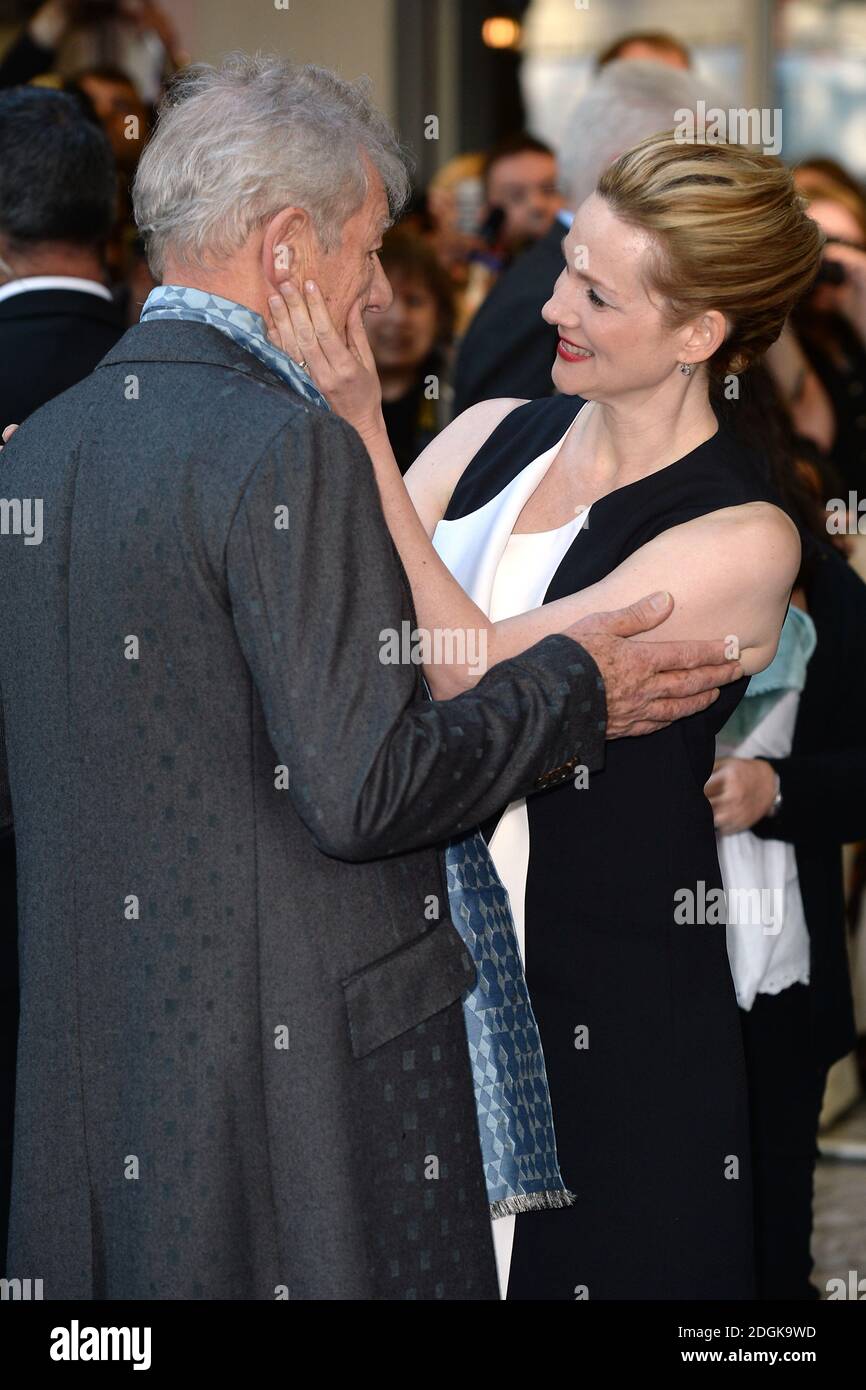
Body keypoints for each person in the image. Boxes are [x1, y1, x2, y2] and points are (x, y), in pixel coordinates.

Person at [0, 55, 739, 1302]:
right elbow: (365, 790)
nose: (383, 289)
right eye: (367, 247)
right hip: (291, 1106)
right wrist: (570, 689)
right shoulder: (288, 448)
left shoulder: (45, 446)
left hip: (98, 1091)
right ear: (287, 246)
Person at [267, 130, 821, 1299]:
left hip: (605, 1007)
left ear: (697, 335)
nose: (554, 305)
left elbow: (470, 677)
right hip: (417, 977)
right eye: (568, 265)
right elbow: (335, 629)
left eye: (597, 294)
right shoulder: (483, 433)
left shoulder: (741, 538)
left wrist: (362, 430)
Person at [452, 59, 716, 413]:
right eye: (694, 170)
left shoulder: (563, 275)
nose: (713, 192)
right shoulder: (535, 300)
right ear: (624, 169)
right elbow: (505, 439)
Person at [365, 228, 456, 473]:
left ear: (440, 316)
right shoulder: (321, 394)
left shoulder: (455, 392)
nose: (398, 318)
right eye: (382, 302)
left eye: (414, 301)